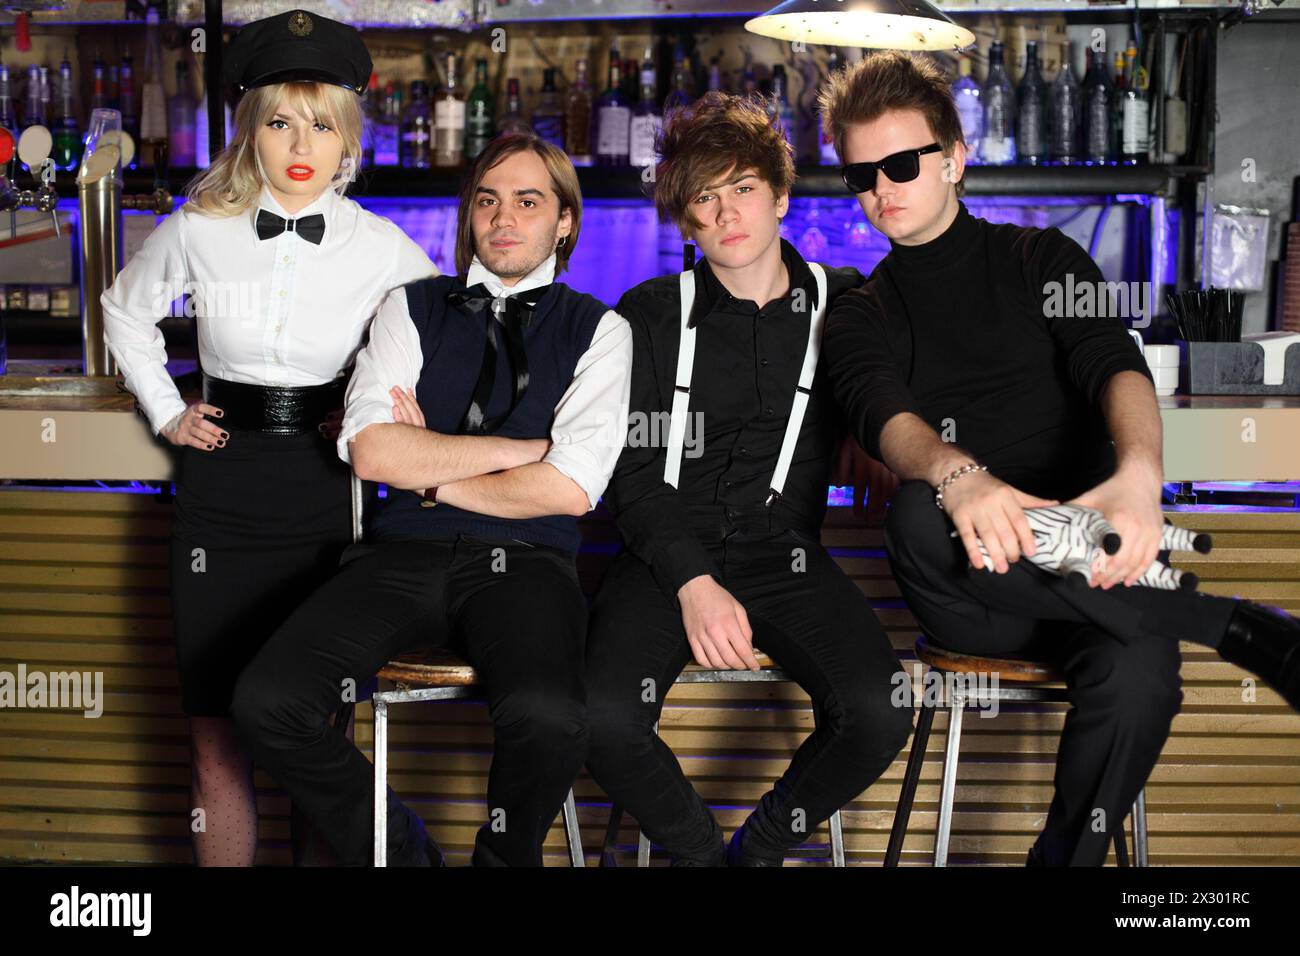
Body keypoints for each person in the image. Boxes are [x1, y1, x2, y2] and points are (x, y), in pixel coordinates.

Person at [819, 50, 1300, 866]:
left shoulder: (1042, 261)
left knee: (1140, 670)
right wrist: (959, 476)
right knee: (918, 509)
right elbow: (882, 417)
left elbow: (1115, 364)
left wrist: (1141, 477)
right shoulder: (862, 309)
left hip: (1103, 584)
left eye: (900, 163)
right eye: (861, 176)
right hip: (977, 589)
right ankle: (1225, 623)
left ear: (955, 158)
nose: (881, 190)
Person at [229, 132, 633, 866]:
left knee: (549, 717)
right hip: (402, 553)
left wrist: (433, 474)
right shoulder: (409, 307)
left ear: (564, 221)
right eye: (487, 200)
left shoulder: (600, 331)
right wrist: (527, 451)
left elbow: (571, 489)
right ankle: (405, 856)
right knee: (265, 702)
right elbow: (370, 449)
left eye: (528, 201)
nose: (502, 218)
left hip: (528, 559)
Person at [100, 9, 437, 866]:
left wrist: (370, 404)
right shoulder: (199, 226)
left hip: (327, 492)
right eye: (280, 120)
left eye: (321, 122)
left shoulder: (383, 248)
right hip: (220, 489)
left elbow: (439, 342)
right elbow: (123, 312)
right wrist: (166, 409)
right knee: (215, 736)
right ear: (251, 128)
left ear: (347, 136)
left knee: (311, 729)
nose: (300, 142)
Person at [584, 92, 914, 867]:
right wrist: (692, 580)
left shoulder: (848, 303)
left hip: (783, 553)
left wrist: (880, 434)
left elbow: (916, 384)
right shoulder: (650, 312)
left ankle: (756, 852)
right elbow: (629, 467)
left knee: (879, 708)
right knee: (600, 719)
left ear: (781, 195)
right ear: (684, 216)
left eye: (742, 188)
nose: (726, 211)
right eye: (704, 196)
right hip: (664, 552)